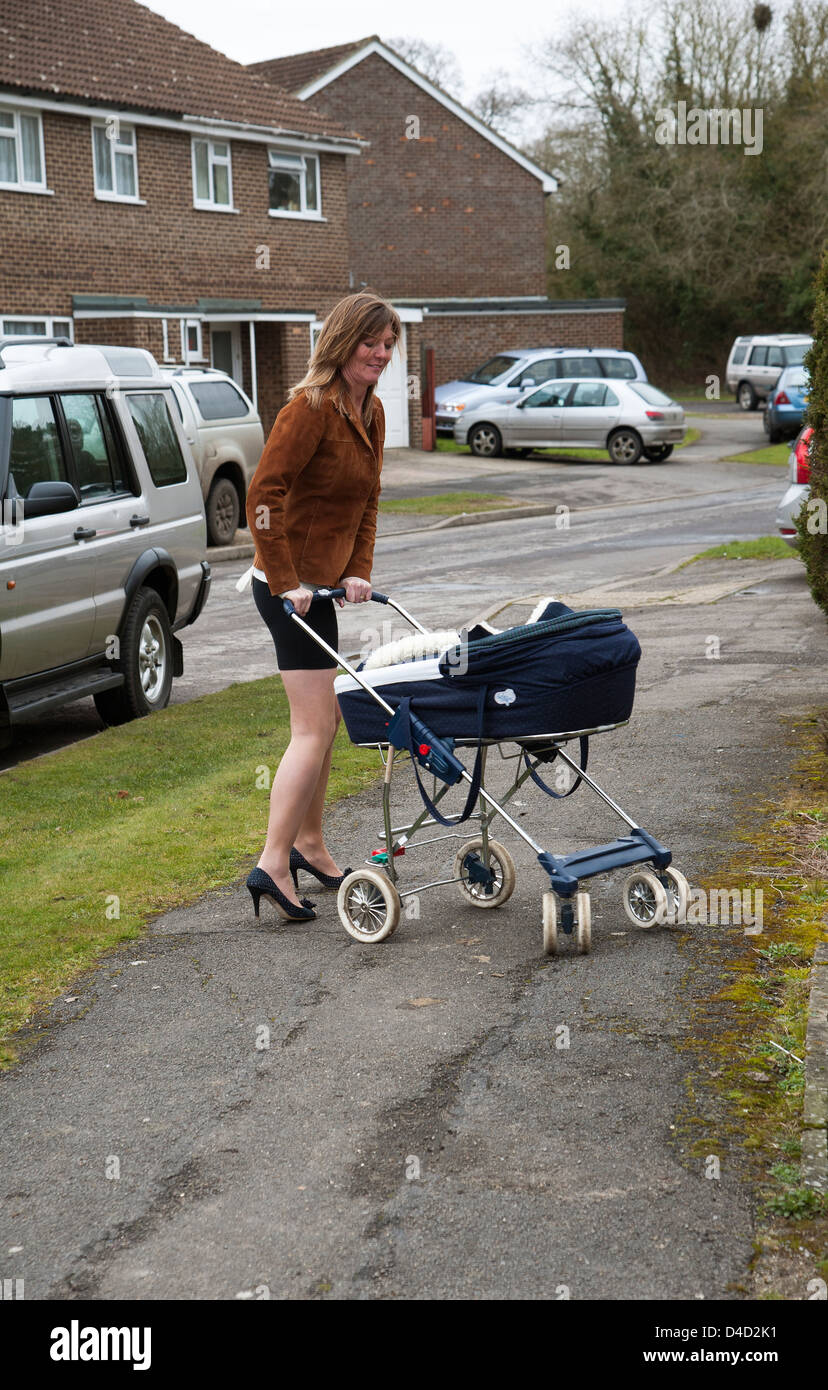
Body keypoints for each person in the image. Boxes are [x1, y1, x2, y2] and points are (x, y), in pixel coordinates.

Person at [244, 291, 401, 922]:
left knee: (324, 725)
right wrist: (286, 581)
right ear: (342, 344)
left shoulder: (374, 411)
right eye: (370, 343)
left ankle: (310, 843)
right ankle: (273, 862)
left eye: (389, 344)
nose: (381, 354)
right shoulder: (308, 410)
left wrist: (358, 573)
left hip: (324, 593)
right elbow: (263, 496)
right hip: (286, 593)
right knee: (314, 727)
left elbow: (368, 501)